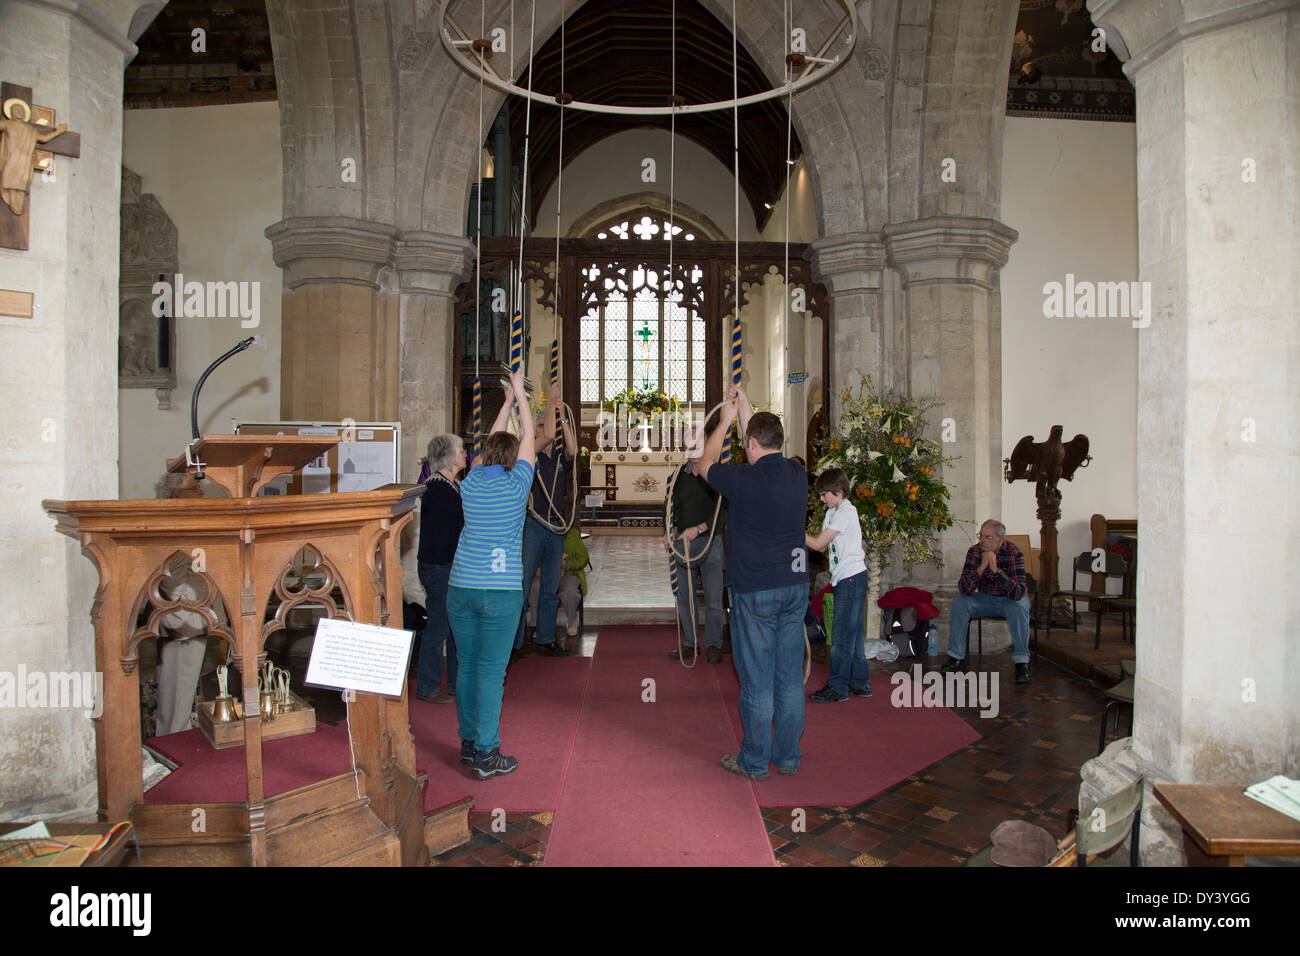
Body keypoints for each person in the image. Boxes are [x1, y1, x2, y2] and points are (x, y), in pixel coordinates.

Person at [699, 384, 809, 780]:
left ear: (748, 443)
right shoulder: (798, 473)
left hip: (755, 591)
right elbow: (759, 444)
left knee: (757, 681)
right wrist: (746, 408)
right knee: (789, 679)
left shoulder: (743, 480)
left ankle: (755, 760)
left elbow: (703, 462)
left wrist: (726, 419)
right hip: (795, 587)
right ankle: (789, 758)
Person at [445, 368, 536, 779]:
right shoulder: (517, 485)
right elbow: (530, 440)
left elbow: (485, 447)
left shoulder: (470, 481)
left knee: (466, 665)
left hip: (461, 585)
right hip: (499, 593)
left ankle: (468, 742)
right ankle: (486, 752)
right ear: (513, 459)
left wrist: (506, 403)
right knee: (490, 672)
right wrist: (520, 397)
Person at [516, 387, 577, 657]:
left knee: (550, 586)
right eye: (540, 425)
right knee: (524, 583)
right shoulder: (530, 456)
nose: (545, 430)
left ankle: (545, 637)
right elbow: (549, 435)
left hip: (556, 527)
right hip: (534, 525)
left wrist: (562, 412)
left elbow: (573, 449)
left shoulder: (561, 456)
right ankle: (515, 642)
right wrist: (551, 404)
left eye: (546, 425)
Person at [804, 467, 871, 701]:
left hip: (852, 578)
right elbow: (821, 547)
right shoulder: (832, 512)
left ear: (840, 491)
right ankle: (860, 682)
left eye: (825, 494)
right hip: (844, 577)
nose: (822, 499)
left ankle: (838, 687)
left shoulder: (846, 511)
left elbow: (819, 542)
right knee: (851, 634)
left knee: (841, 635)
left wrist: (793, 531)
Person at [665, 415, 727, 664]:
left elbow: (724, 510)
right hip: (683, 544)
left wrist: (700, 529)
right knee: (685, 597)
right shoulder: (677, 477)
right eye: (688, 447)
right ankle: (690, 643)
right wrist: (667, 532)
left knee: (713, 598)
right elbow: (668, 507)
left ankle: (713, 644)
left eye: (696, 447)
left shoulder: (717, 475)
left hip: (710, 542)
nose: (692, 452)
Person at [941, 519, 1032, 683]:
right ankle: (955, 658)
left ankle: (1021, 663)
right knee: (960, 603)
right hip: (985, 598)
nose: (982, 541)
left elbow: (1018, 592)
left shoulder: (1014, 553)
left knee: (1019, 608)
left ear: (1001, 539)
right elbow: (964, 588)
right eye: (980, 536)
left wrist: (996, 571)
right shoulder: (974, 552)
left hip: (1009, 600)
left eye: (988, 537)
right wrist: (981, 569)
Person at [414, 433, 466, 704]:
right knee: (438, 626)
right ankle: (427, 686)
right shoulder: (436, 487)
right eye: (461, 450)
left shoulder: (451, 485)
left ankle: (457, 684)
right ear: (449, 457)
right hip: (438, 567)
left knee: (455, 625)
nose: (465, 454)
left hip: (448, 565)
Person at [558, 518, 589, 638]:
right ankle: (538, 625)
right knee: (535, 588)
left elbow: (584, 558)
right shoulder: (537, 534)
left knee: (569, 590)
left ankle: (572, 621)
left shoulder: (572, 535)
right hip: (543, 573)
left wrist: (567, 563)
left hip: (568, 572)